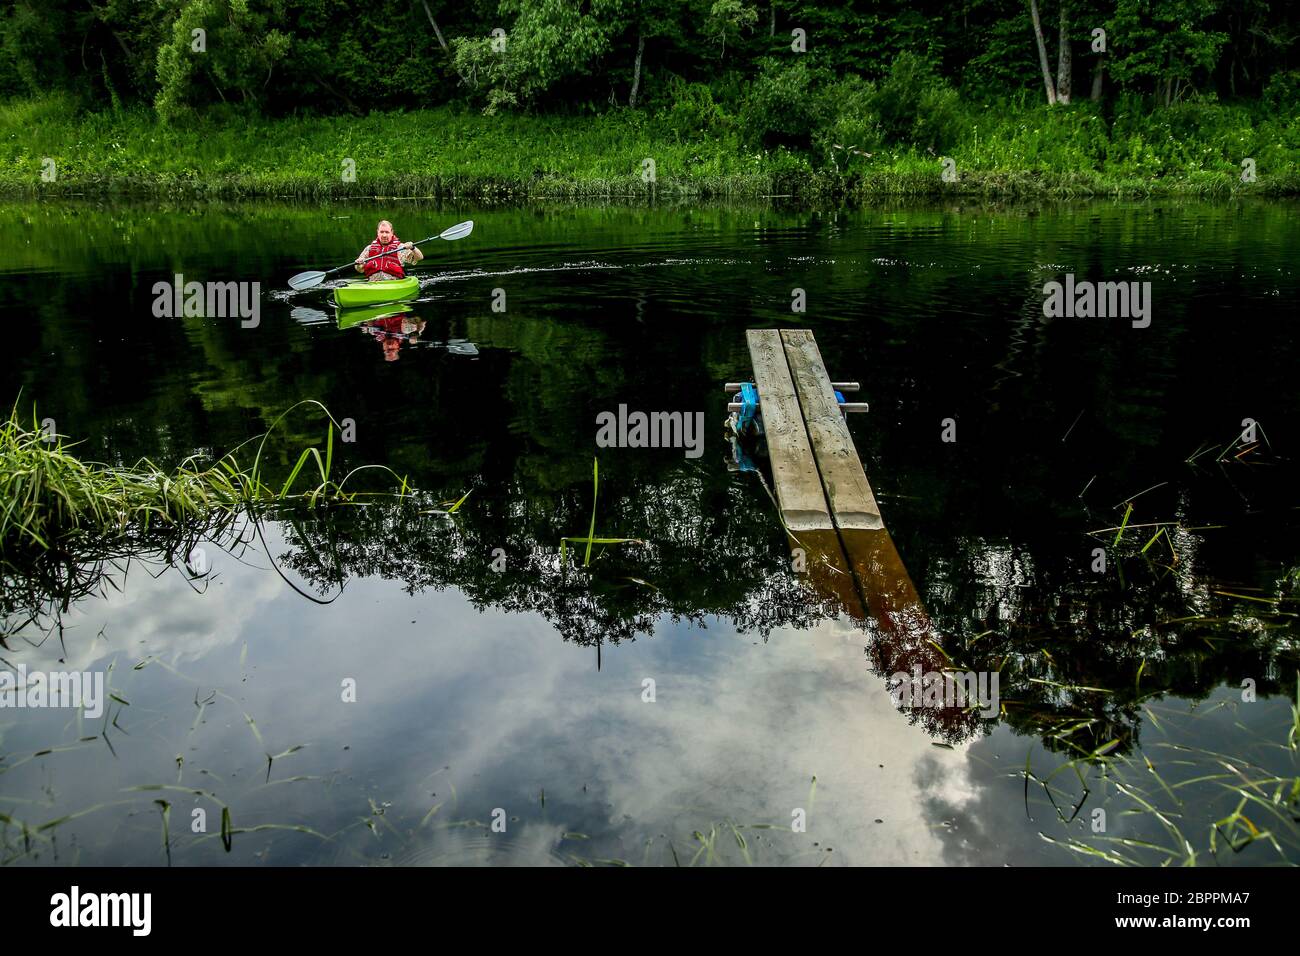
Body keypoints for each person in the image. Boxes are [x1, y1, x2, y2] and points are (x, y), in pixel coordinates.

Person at [355, 220, 423, 282]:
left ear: (392, 233)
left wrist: (413, 248)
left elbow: (420, 257)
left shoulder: (400, 248)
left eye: (387, 232)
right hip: (373, 284)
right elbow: (359, 269)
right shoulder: (369, 249)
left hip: (394, 284)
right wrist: (359, 264)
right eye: (381, 232)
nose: (384, 235)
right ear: (377, 232)